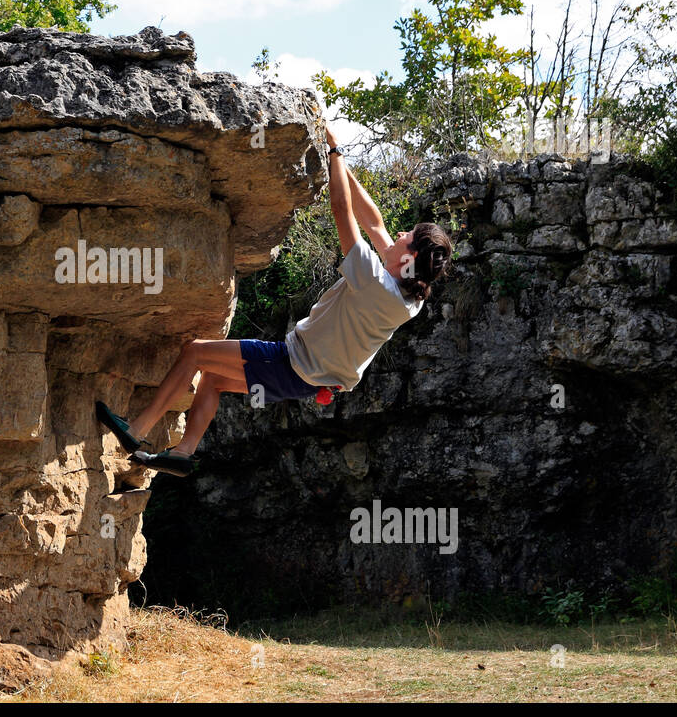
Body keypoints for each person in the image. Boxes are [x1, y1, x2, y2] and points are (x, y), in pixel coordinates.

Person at [96, 121, 452, 476]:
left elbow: (343, 211)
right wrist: (336, 161)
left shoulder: (374, 281)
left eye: (408, 237)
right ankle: (184, 453)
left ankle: (136, 430)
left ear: (410, 258)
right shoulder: (410, 297)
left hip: (289, 362)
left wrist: (336, 150)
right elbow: (373, 222)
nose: (400, 233)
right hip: (307, 382)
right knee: (213, 379)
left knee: (194, 351)